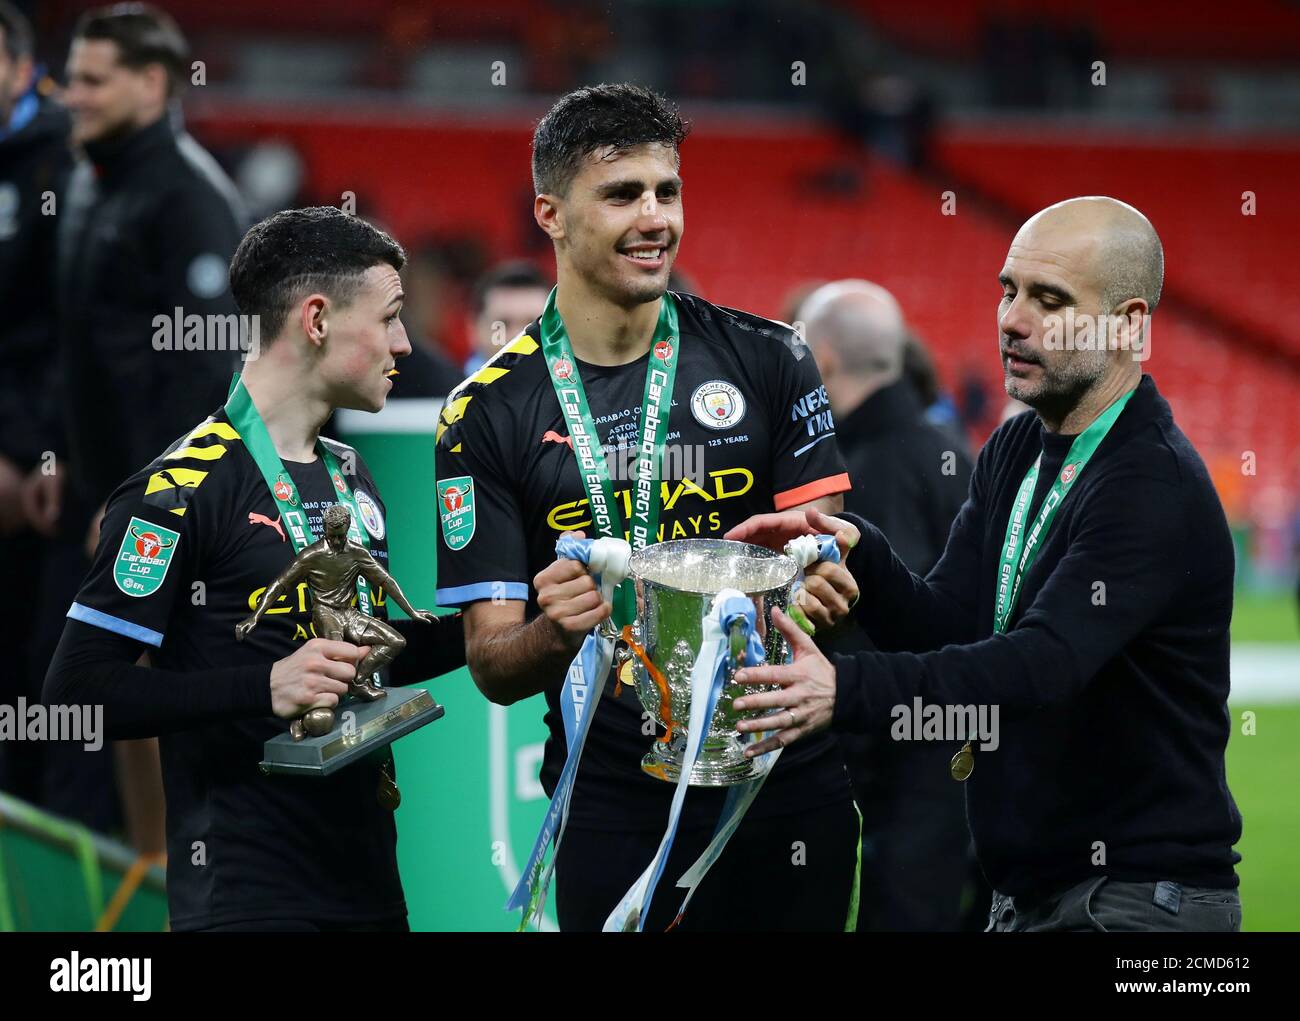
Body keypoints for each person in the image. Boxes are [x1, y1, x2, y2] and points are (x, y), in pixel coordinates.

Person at [728, 196, 1243, 932]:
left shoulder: (1148, 482)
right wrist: (860, 551)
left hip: (1133, 901)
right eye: (1009, 289)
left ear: (1130, 324)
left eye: (1050, 299)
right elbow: (947, 622)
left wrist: (844, 686)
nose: (1012, 318)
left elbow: (1040, 665)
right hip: (1033, 894)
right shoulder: (1017, 447)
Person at [434, 84, 860, 932]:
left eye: (667, 191)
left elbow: (829, 569)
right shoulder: (483, 415)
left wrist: (826, 589)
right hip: (611, 800)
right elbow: (491, 664)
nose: (655, 217)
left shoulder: (772, 358)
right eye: (623, 194)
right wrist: (554, 630)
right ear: (550, 214)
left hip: (781, 788)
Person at [44, 207, 467, 932]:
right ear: (317, 320)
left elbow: (356, 654)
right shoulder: (178, 488)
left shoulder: (349, 476)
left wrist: (508, 625)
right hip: (246, 901)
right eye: (390, 317)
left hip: (369, 891)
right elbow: (76, 692)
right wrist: (264, 686)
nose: (404, 342)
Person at [800, 279, 978, 931]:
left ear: (822, 360)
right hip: (950, 747)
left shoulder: (862, 467)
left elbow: (882, 624)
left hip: (901, 757)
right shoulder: (944, 449)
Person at [0, 1, 73, 809]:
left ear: (22, 68)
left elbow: (75, 329)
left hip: (39, 468)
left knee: (39, 687)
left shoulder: (66, 162)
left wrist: (40, 455)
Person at [463, 260, 551, 375]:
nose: (517, 337)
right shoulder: (440, 389)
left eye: (533, 325)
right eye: (502, 324)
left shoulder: (579, 389)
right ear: (473, 329)